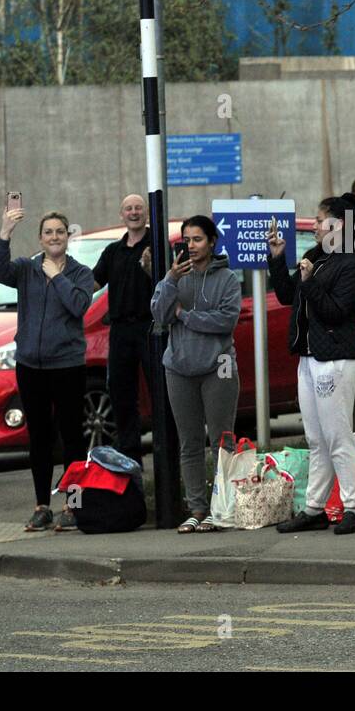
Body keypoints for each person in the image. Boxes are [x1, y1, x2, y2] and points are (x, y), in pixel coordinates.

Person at [268, 193, 355, 535]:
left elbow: (335, 312)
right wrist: (278, 259)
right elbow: (287, 296)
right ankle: (315, 507)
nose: (313, 223)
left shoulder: (353, 264)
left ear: (338, 225)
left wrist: (310, 283)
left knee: (338, 436)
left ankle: (352, 508)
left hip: (337, 359)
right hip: (310, 358)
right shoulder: (316, 256)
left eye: (319, 218)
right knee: (316, 438)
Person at [0, 207, 95, 532]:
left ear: (68, 237)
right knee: (39, 437)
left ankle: (73, 505)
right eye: (48, 232)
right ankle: (41, 506)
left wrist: (56, 276)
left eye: (59, 232)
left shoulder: (80, 273)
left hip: (67, 366)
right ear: (40, 238)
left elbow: (79, 305)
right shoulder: (26, 269)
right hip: (30, 366)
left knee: (72, 436)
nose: (54, 237)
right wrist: (5, 233)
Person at [149, 216, 241, 533]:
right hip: (178, 367)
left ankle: (221, 507)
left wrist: (185, 315)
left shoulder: (227, 278)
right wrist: (170, 280)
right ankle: (197, 507)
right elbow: (159, 317)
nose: (191, 245)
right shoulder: (175, 278)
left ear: (212, 241)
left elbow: (225, 321)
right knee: (189, 442)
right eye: (187, 239)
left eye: (198, 239)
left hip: (219, 366)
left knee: (221, 439)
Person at [92, 194, 156, 462]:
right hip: (119, 331)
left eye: (138, 208)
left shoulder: (156, 244)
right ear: (122, 214)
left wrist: (150, 269)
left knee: (160, 390)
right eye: (128, 208)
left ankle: (166, 449)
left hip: (150, 327)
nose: (133, 212)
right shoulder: (112, 252)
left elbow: (170, 283)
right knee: (121, 393)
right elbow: (93, 284)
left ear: (146, 213)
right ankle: (130, 456)